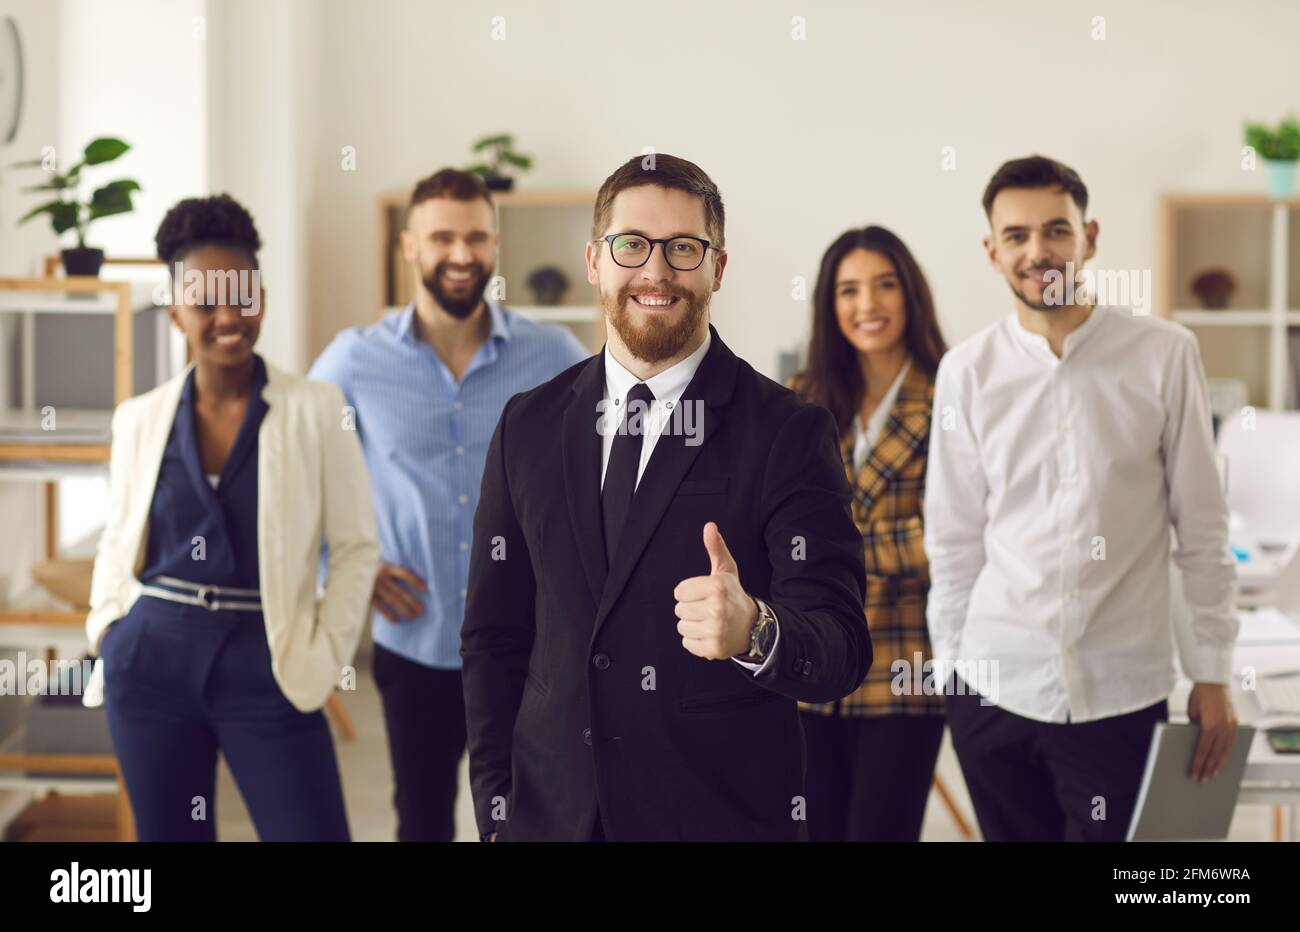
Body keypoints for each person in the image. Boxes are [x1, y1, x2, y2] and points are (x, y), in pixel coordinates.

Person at [461, 153, 871, 842]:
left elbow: (842, 646)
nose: (656, 271)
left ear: (717, 267)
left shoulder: (788, 431)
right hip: (551, 821)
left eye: (683, 248)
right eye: (632, 245)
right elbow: (493, 638)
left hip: (718, 821)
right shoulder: (526, 426)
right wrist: (499, 811)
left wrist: (757, 630)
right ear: (595, 260)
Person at [924, 155, 1239, 842]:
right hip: (994, 690)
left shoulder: (1164, 353)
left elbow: (1203, 531)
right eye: (1016, 235)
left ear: (1089, 238)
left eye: (1055, 231)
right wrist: (952, 673)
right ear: (992, 250)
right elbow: (952, 538)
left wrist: (1212, 672)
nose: (1037, 251)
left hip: (1120, 695)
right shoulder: (967, 372)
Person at [84, 193, 380, 841]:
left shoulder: (316, 409)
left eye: (242, 295)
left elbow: (357, 546)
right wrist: (108, 628)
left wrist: (327, 650)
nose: (227, 316)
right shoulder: (138, 419)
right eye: (204, 301)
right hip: (152, 659)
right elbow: (119, 535)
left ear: (263, 298)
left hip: (268, 659)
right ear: (173, 312)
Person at [308, 168, 587, 841]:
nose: (461, 255)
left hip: (532, 643)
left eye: (476, 238)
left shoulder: (554, 354)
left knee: (534, 817)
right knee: (423, 819)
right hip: (416, 645)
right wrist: (342, 571)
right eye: (442, 238)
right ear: (408, 247)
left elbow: (601, 473)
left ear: (496, 244)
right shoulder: (353, 361)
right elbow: (290, 479)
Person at [789, 225, 948, 841]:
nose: (867, 305)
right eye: (849, 290)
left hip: (908, 665)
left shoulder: (952, 393)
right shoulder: (804, 400)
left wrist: (838, 549)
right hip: (812, 662)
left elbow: (949, 538)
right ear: (830, 305)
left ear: (910, 293)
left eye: (884, 285)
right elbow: (785, 536)